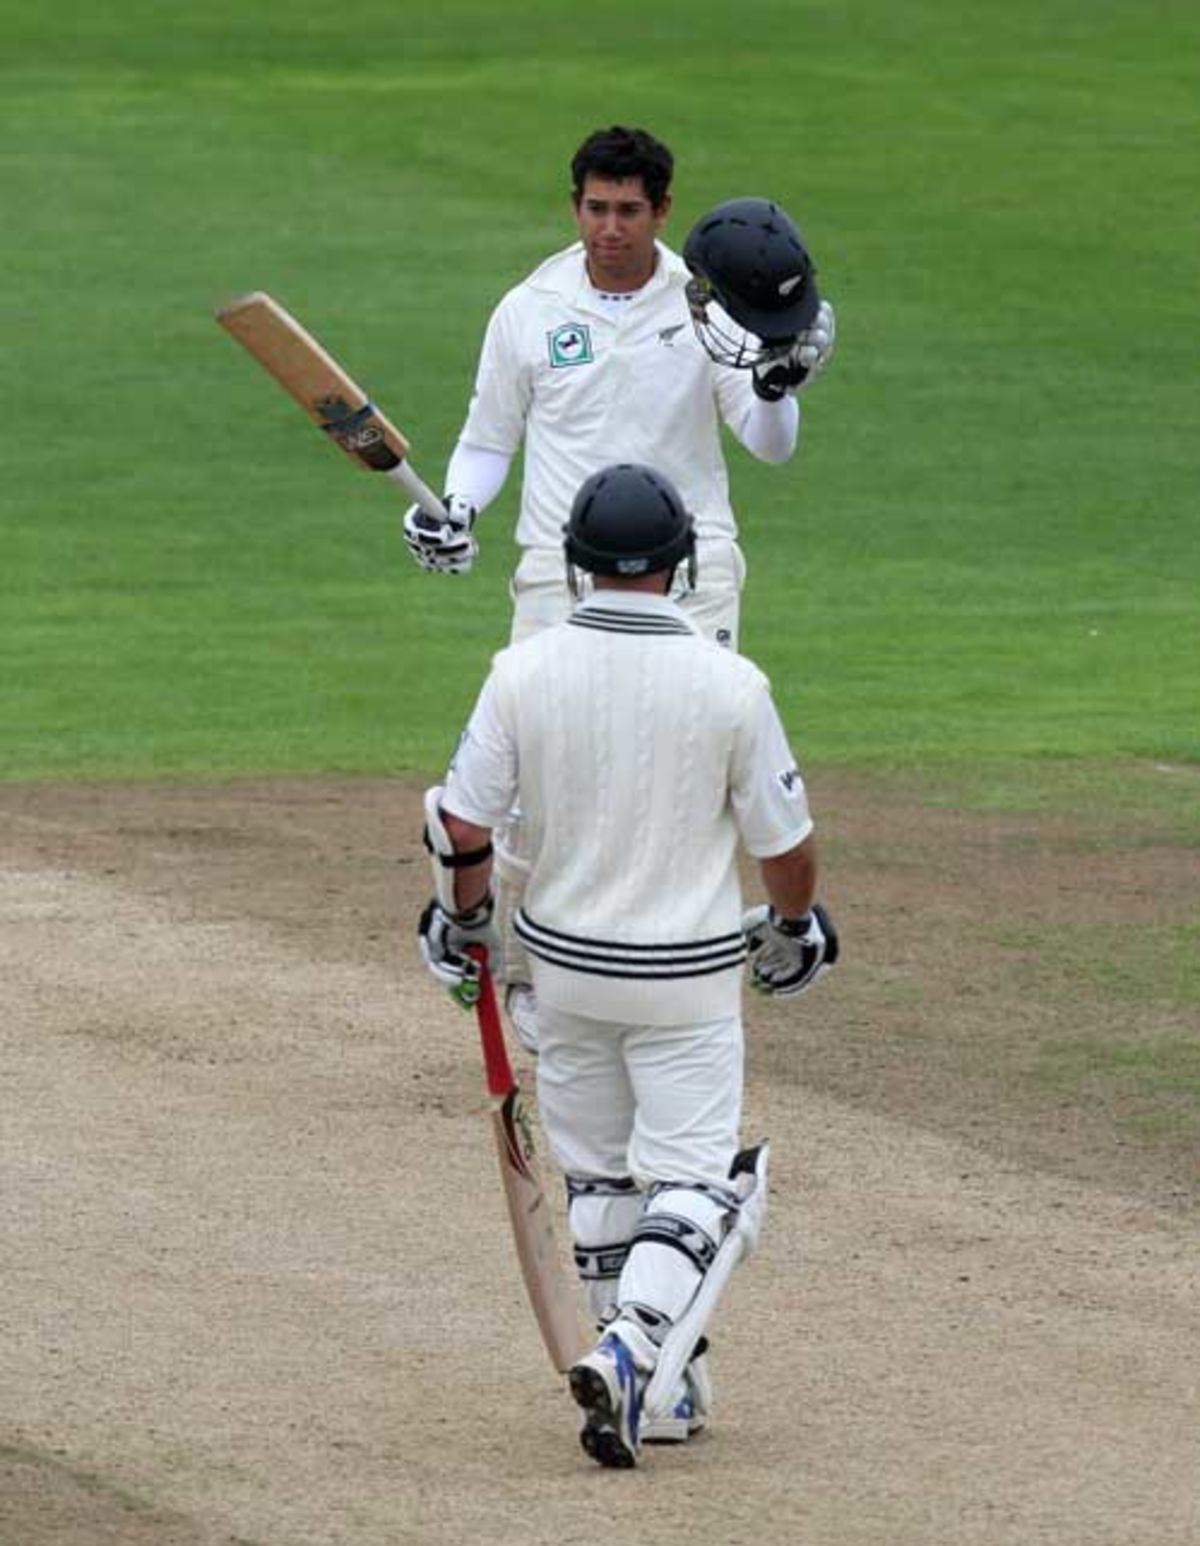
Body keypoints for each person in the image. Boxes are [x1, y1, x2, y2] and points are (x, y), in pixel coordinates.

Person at [416, 463, 839, 1468]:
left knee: (603, 1178)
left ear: (573, 564)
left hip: (562, 967)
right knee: (695, 1177)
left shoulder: (521, 671)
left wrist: (458, 918)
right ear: (683, 565)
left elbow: (462, 821)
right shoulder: (732, 683)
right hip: (685, 973)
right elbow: (785, 844)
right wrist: (793, 925)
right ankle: (635, 1345)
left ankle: (663, 1391)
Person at [398, 125, 837, 1046]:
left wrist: (774, 381)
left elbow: (771, 445)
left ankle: (686, 977)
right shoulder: (527, 308)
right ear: (575, 207)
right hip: (558, 579)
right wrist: (456, 509)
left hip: (695, 578)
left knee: (695, 775)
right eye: (595, 208)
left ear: (661, 212)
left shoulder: (704, 307)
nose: (609, 228)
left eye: (628, 211)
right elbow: (487, 441)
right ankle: (522, 971)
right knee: (530, 783)